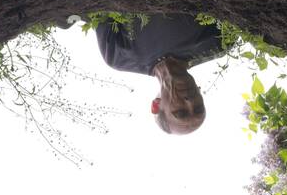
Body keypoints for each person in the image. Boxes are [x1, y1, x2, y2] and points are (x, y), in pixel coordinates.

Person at [94, 14, 224, 135]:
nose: (190, 102)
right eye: (198, 108)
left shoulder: (118, 57)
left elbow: (96, 6)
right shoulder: (218, 43)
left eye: (180, 112)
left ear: (156, 105)